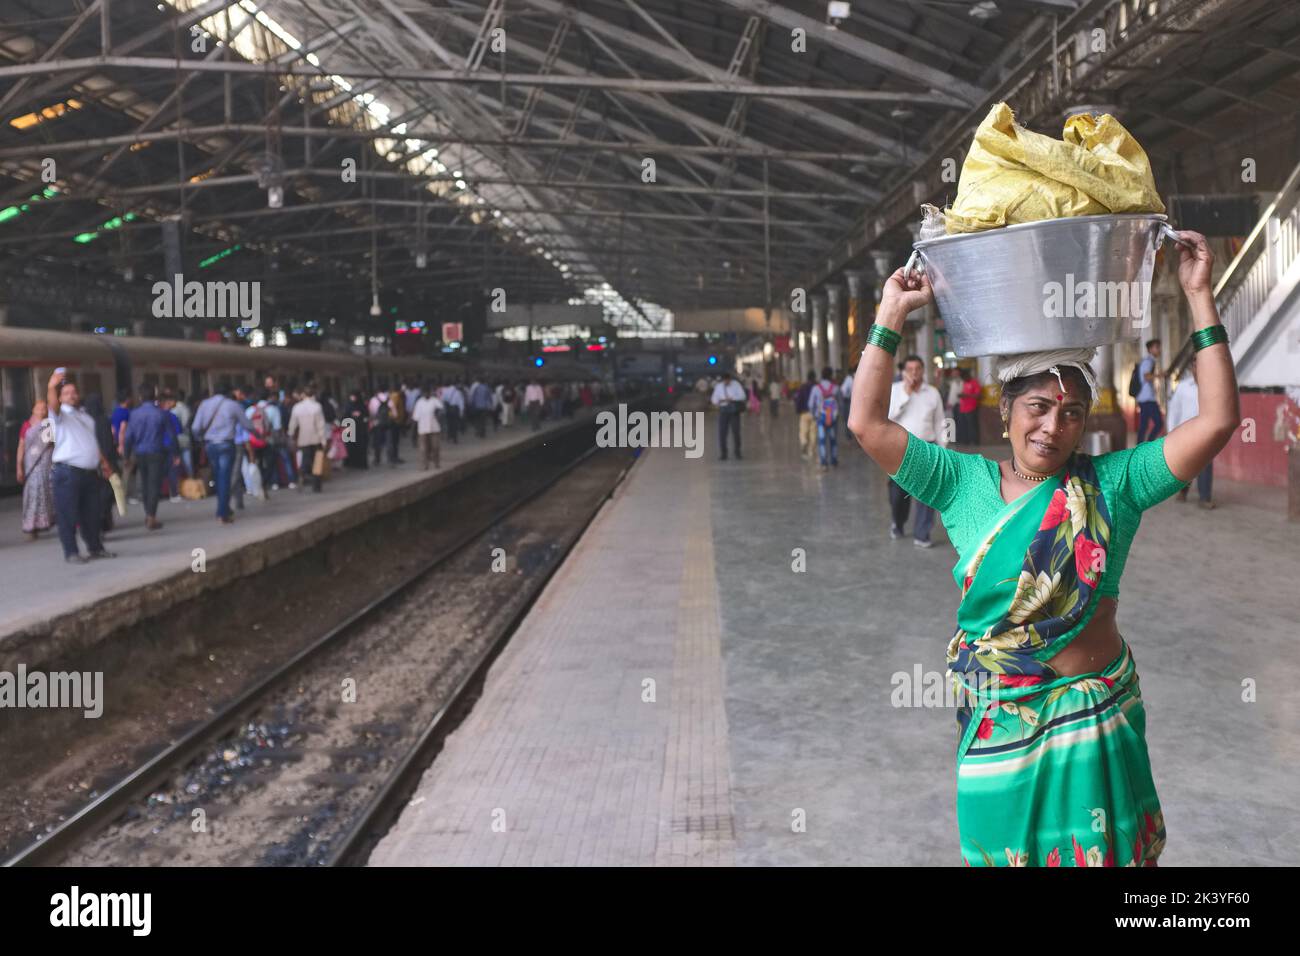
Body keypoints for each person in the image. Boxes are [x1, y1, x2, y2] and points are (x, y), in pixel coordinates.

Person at [848, 229, 1238, 867]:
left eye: (1072, 413)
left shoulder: (1114, 483)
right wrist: (890, 314)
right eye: (1037, 407)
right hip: (1001, 727)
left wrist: (1199, 296)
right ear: (1005, 410)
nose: (1053, 426)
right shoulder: (960, 482)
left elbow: (1218, 421)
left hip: (1098, 717)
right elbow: (867, 423)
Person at [45, 370, 116, 563]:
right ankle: (71, 552)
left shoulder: (85, 416)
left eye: (74, 392)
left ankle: (95, 547)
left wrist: (103, 462)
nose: (72, 395)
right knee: (67, 515)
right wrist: (52, 386)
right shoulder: (59, 416)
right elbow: (52, 405)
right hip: (68, 472)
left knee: (92, 513)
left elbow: (90, 441)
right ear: (60, 398)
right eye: (66, 393)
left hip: (89, 473)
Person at [886, 355, 948, 548]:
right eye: (910, 369)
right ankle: (898, 521)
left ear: (923, 371)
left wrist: (943, 449)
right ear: (904, 372)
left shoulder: (932, 393)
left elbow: (940, 422)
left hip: (928, 448)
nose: (914, 373)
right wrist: (907, 393)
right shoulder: (895, 391)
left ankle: (922, 533)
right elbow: (888, 417)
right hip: (901, 450)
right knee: (898, 494)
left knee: (927, 493)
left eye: (918, 369)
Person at [191, 383, 255, 524]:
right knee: (224, 478)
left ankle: (224, 508)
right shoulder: (233, 405)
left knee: (219, 476)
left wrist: (200, 439)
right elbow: (247, 425)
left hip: (210, 445)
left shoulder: (204, 404)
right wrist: (257, 433)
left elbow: (195, 427)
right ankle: (222, 512)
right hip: (226, 444)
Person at [121, 383, 175, 530]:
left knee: (145, 484)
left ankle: (148, 514)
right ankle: (151, 515)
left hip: (140, 453)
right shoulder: (161, 413)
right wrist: (175, 454)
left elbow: (128, 437)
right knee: (154, 485)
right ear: (155, 396)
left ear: (140, 397)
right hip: (156, 452)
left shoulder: (134, 414)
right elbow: (171, 435)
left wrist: (126, 456)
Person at [1167, 354, 1215, 509]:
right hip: (1184, 433)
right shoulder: (1182, 386)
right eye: (1195, 365)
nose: (1198, 369)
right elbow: (1174, 410)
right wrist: (1171, 433)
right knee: (1186, 465)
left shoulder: (1212, 387)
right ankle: (1183, 491)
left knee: (1205, 464)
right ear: (1191, 368)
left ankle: (1205, 497)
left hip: (1206, 433)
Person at [17, 399, 54, 541]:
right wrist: (19, 466)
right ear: (33, 410)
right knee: (32, 494)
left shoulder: (49, 424)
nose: (42, 411)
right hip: (31, 466)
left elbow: (50, 443)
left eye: (45, 408)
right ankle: (31, 526)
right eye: (39, 408)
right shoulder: (26, 426)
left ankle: (48, 521)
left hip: (47, 465)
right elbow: (21, 446)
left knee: (50, 492)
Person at [289, 386, 328, 492]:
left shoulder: (297, 407)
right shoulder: (317, 406)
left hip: (303, 438)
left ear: (304, 395)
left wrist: (291, 435)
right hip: (316, 438)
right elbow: (321, 425)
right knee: (317, 461)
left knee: (305, 458)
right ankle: (316, 485)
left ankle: (301, 474)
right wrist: (323, 440)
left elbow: (293, 423)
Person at [808, 366, 841, 472]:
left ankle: (824, 463)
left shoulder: (816, 388)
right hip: (832, 418)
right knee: (833, 439)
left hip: (821, 418)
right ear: (831, 375)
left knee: (822, 440)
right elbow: (839, 403)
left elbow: (810, 404)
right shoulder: (835, 388)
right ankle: (834, 460)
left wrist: (814, 415)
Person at [710, 370, 747, 460]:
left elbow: (743, 396)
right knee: (722, 433)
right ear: (723, 380)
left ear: (730, 379)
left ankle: (737, 452)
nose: (727, 382)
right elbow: (714, 399)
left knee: (736, 432)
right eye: (725, 381)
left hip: (734, 411)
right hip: (723, 411)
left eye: (728, 381)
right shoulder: (719, 387)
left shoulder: (736, 385)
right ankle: (723, 453)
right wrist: (720, 400)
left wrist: (732, 398)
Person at [1136, 339, 1164, 443]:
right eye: (1157, 347)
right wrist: (1160, 375)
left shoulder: (1148, 361)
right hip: (1147, 398)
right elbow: (1146, 376)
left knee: (1144, 425)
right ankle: (1148, 444)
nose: (1159, 350)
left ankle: (1140, 447)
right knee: (1159, 423)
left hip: (1144, 398)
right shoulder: (1148, 361)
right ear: (1150, 349)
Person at [412, 386, 445, 470]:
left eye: (428, 392)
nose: (426, 394)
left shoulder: (434, 400)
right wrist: (414, 432)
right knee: (423, 448)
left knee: (435, 447)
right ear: (422, 393)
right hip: (422, 429)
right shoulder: (419, 402)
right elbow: (415, 417)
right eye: (425, 392)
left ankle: (436, 462)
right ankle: (424, 465)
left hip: (434, 428)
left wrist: (438, 414)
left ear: (430, 392)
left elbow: (442, 408)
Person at [344, 390, 369, 469]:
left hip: (361, 429)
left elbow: (366, 415)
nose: (353, 398)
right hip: (349, 428)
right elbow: (344, 416)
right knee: (351, 447)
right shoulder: (348, 405)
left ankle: (361, 464)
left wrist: (360, 415)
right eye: (351, 396)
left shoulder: (362, 405)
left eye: (354, 396)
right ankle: (352, 463)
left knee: (361, 447)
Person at [795, 370, 817, 460]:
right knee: (813, 432)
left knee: (803, 431)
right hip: (814, 413)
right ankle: (811, 450)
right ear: (814, 377)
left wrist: (798, 410)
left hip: (804, 413)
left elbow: (798, 399)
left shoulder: (802, 387)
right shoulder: (816, 386)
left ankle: (804, 442)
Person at [958, 367, 982, 445]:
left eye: (964, 378)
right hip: (963, 408)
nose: (964, 380)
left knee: (972, 426)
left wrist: (967, 395)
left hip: (971, 408)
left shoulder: (974, 383)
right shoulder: (965, 383)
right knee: (964, 426)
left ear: (967, 375)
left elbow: (978, 395)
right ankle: (966, 441)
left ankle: (974, 441)